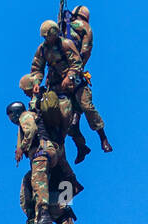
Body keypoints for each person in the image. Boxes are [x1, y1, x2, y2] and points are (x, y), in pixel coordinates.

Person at [31, 17, 112, 157]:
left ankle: (103, 137)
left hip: (76, 84)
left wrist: (70, 76)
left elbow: (77, 63)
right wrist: (36, 82)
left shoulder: (66, 44)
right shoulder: (42, 50)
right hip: (58, 87)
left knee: (87, 107)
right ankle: (80, 146)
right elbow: (37, 68)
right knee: (64, 118)